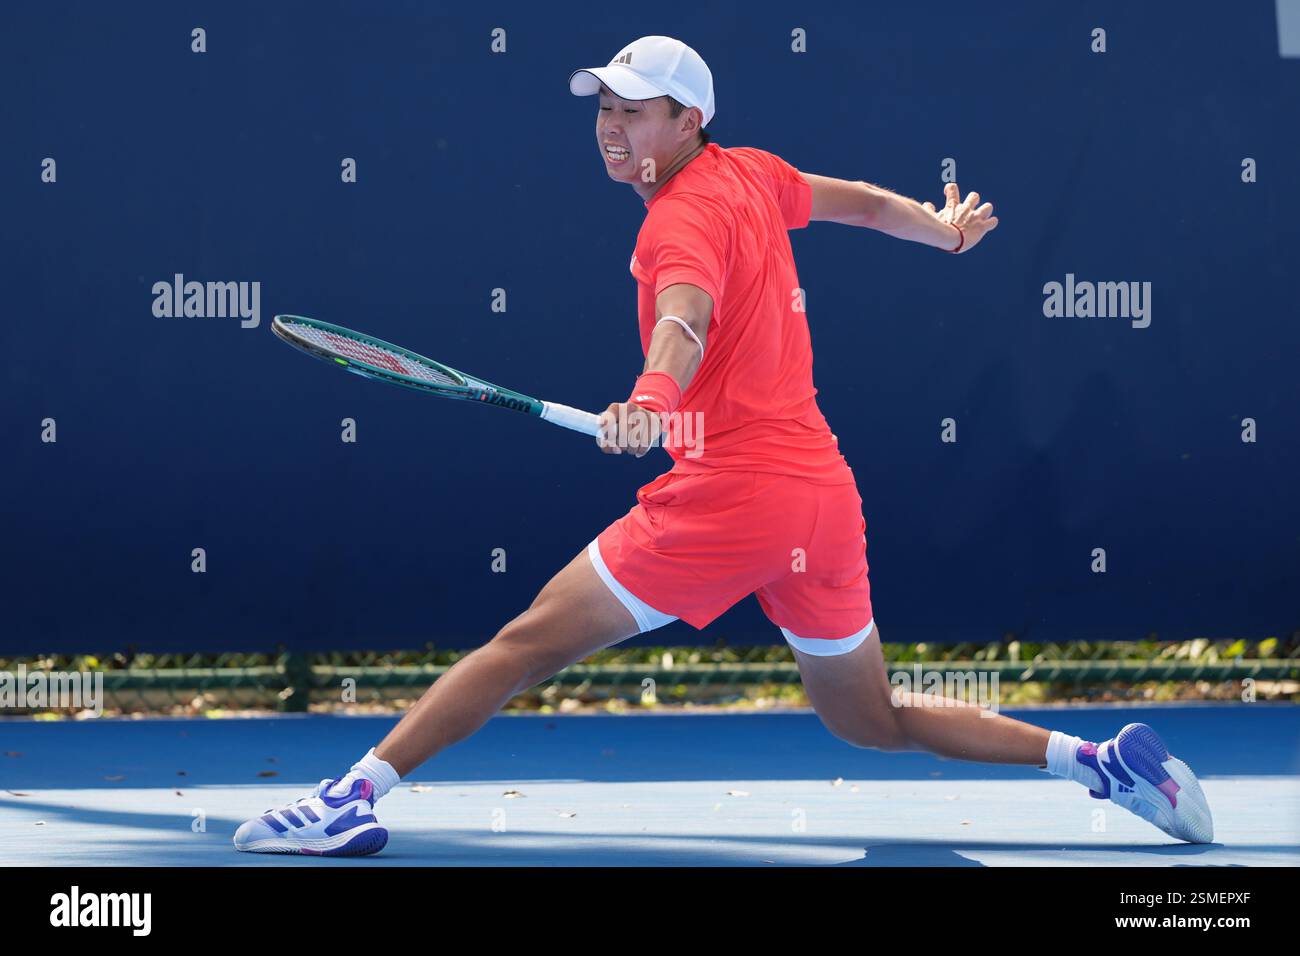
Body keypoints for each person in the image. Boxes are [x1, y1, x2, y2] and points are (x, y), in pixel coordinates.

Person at [234, 35, 1212, 856]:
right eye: (603, 108)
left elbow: (684, 316)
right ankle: (1098, 761)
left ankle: (347, 801)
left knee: (522, 644)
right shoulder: (753, 175)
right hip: (819, 495)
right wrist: (944, 234)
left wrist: (652, 397)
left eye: (636, 109)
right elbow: (867, 203)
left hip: (732, 496)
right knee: (866, 718)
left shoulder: (679, 217)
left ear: (687, 121)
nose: (612, 126)